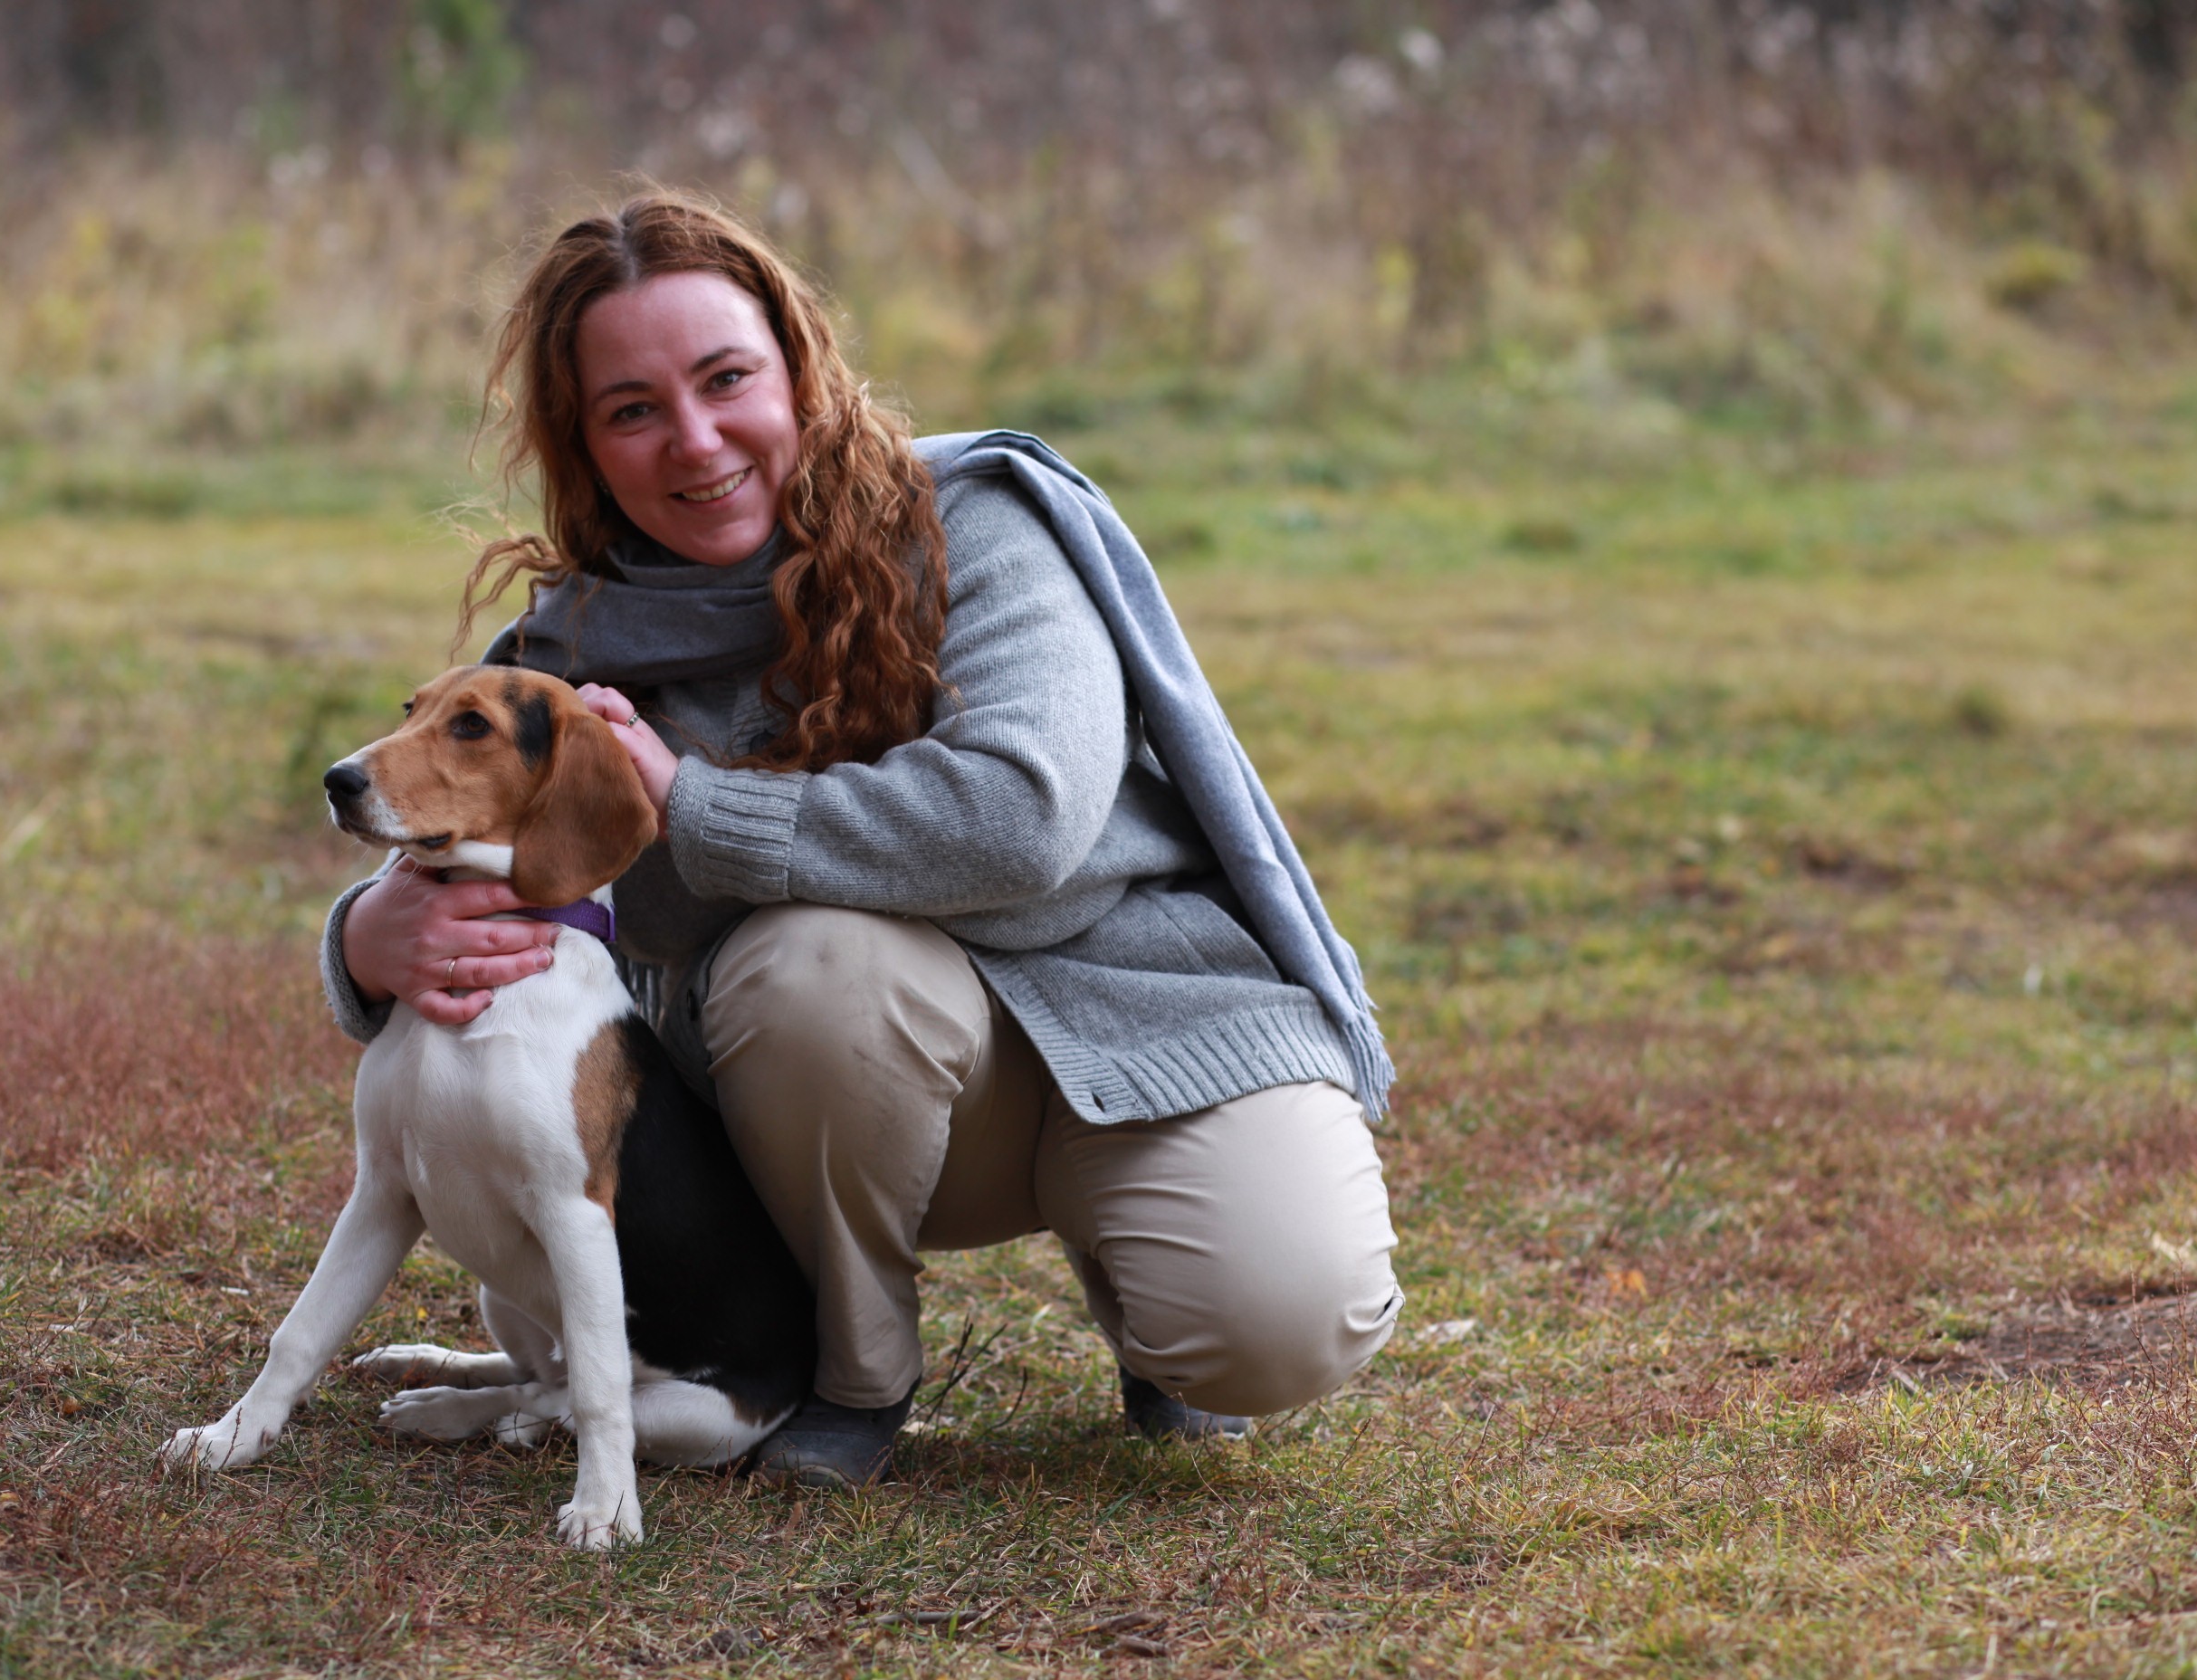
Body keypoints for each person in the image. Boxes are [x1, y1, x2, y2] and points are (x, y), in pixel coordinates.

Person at [320, 188, 1401, 1490]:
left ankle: (1156, 1304)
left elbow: (1021, 819)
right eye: (633, 410)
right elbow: (447, 831)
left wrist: (702, 806)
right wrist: (365, 939)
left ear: (801, 369)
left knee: (1281, 1327)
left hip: (1138, 1008)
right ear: (585, 446)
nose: (697, 439)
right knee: (813, 962)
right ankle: (856, 1377)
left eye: (728, 379)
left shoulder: (980, 522)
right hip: (838, 1075)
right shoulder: (573, 660)